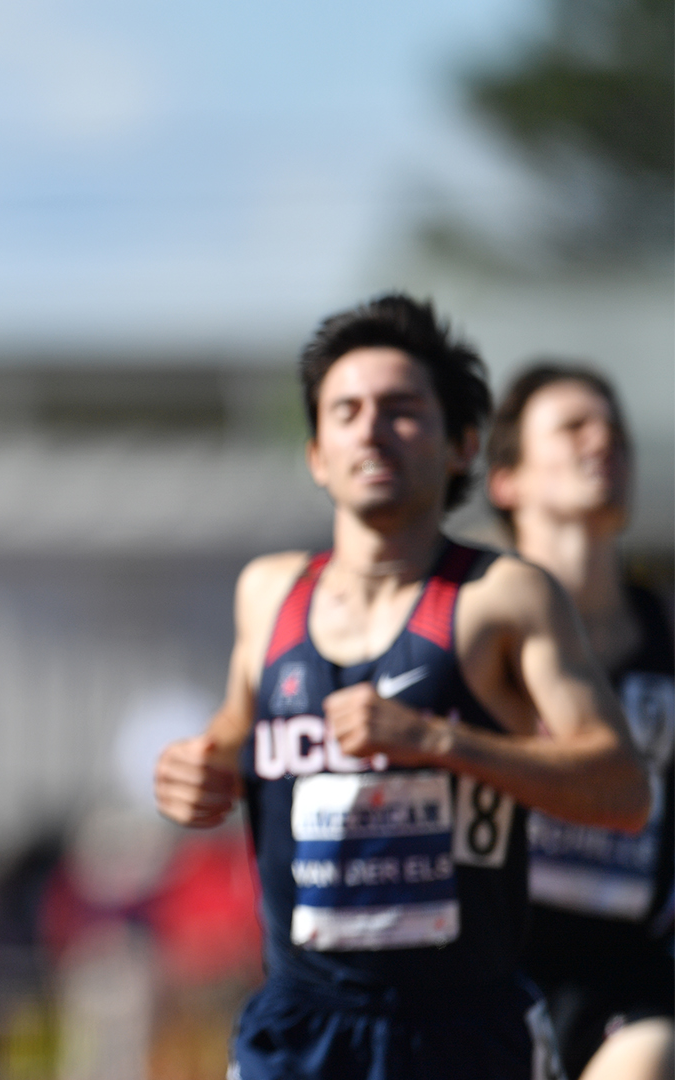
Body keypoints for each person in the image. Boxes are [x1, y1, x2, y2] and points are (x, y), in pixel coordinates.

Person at [153, 294, 650, 1080]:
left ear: (462, 445)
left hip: (462, 1032)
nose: (372, 428)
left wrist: (435, 741)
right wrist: (192, 771)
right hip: (300, 1025)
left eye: (402, 408)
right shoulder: (269, 592)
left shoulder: (504, 597)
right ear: (317, 451)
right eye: (345, 410)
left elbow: (623, 790)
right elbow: (227, 737)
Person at [486, 363, 674, 1080]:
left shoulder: (665, 626)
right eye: (573, 427)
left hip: (627, 968)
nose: (604, 442)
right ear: (508, 479)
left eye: (616, 431)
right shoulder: (471, 629)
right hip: (488, 965)